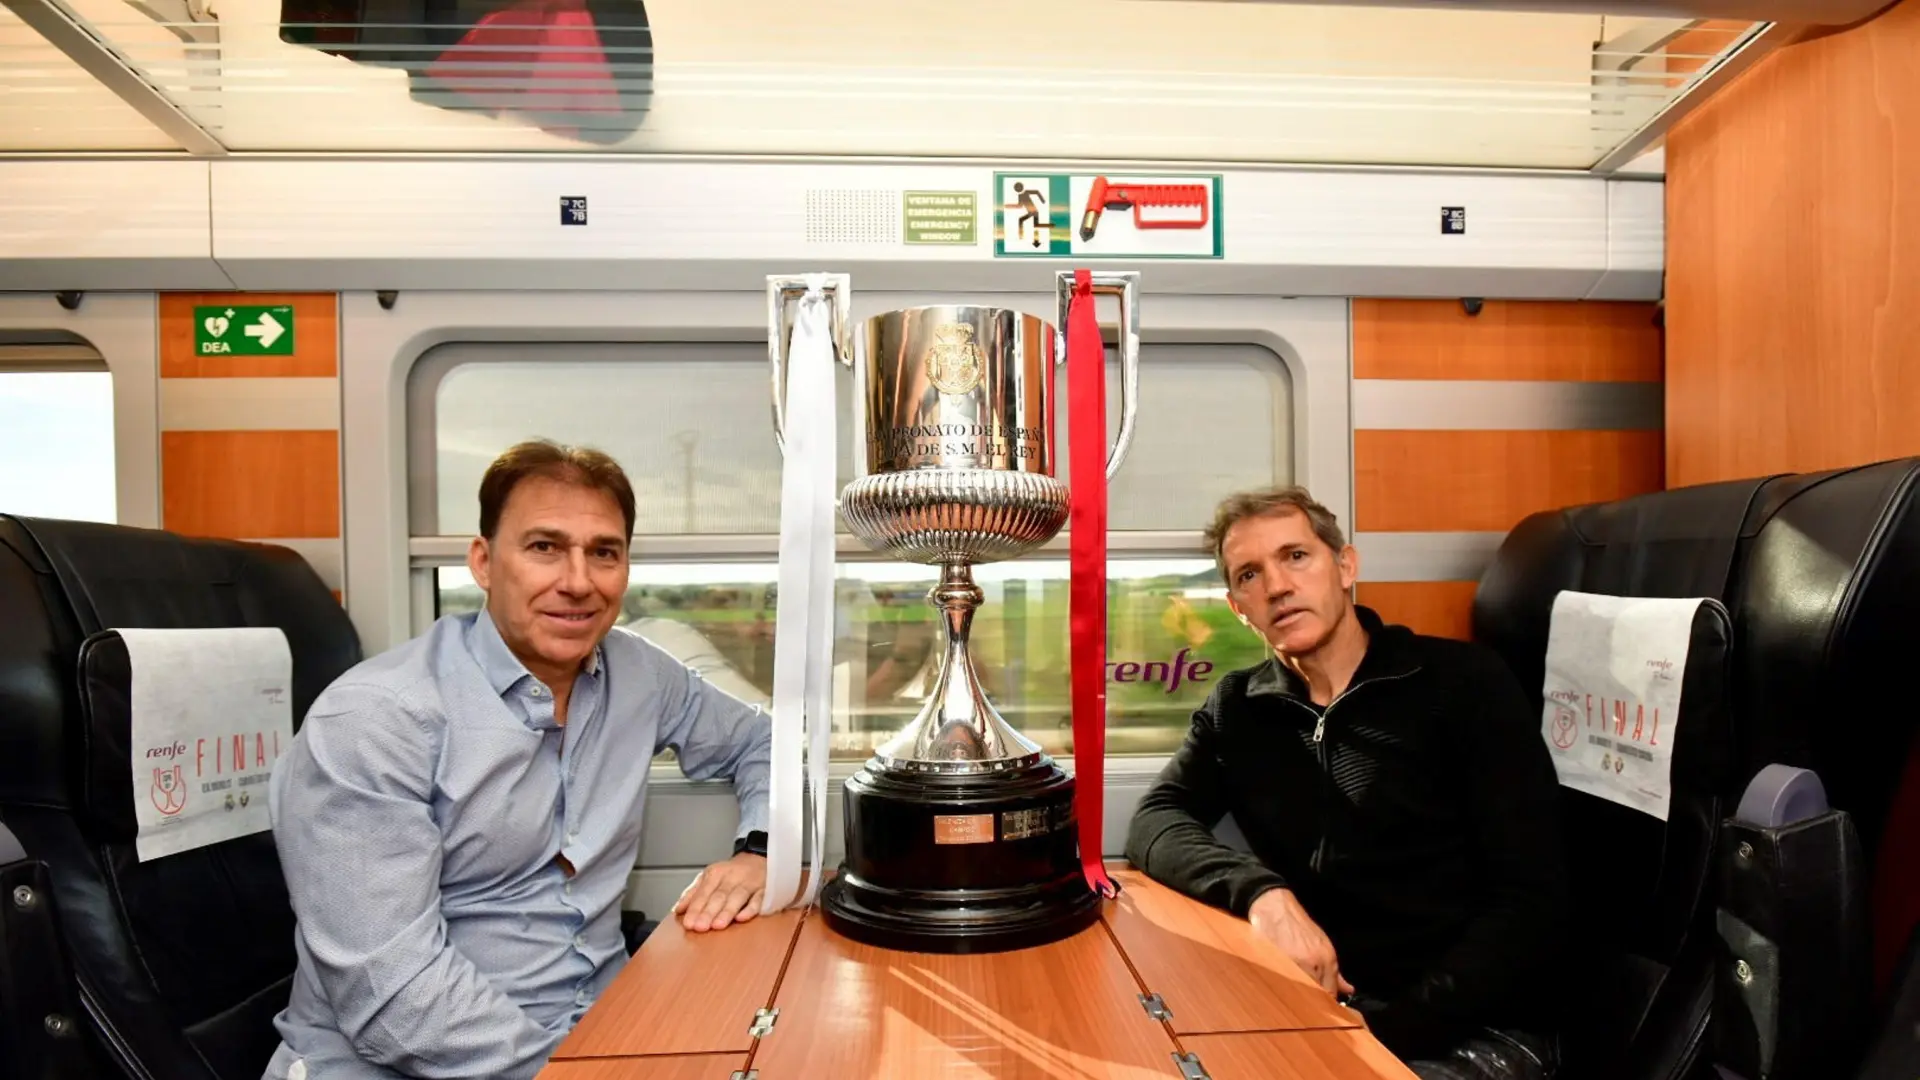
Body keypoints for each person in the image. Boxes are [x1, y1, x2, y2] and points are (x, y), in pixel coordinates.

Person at [263, 439, 773, 1080]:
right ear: (483, 561)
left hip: (602, 1034)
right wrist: (583, 1072)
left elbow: (764, 741)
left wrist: (760, 848)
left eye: (604, 553)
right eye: (544, 547)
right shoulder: (374, 720)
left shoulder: (639, 673)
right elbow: (393, 998)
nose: (579, 582)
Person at [1126, 486, 1568, 1080]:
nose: (1277, 586)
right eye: (1250, 574)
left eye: (1296, 557)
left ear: (1345, 566)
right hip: (1323, 1013)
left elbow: (1531, 903)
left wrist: (1386, 1033)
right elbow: (1156, 819)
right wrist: (1263, 896)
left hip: (1475, 1025)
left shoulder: (1462, 685)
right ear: (1239, 607)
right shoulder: (1240, 708)